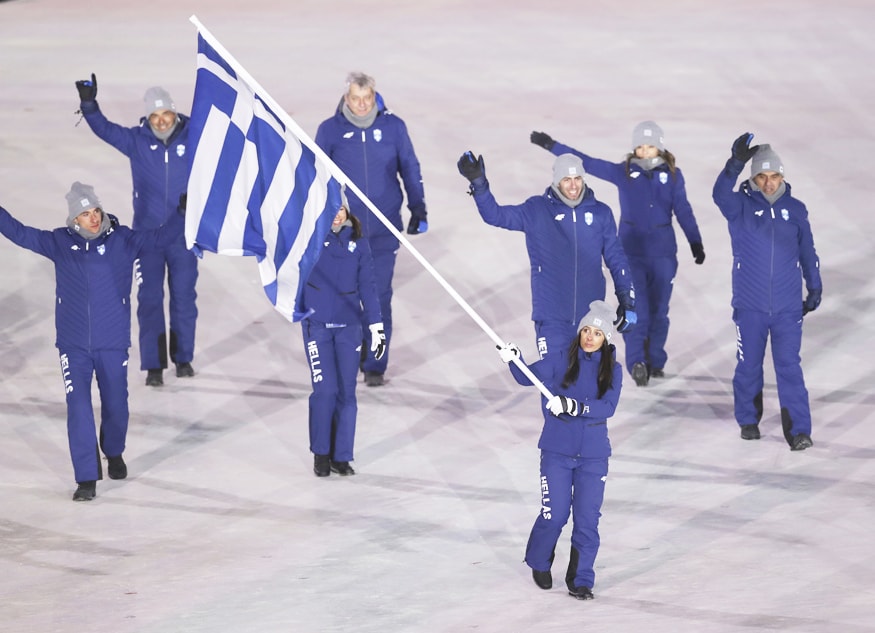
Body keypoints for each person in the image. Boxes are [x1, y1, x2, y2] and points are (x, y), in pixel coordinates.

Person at [0, 182, 183, 500]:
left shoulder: (124, 240)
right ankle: (86, 477)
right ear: (74, 219)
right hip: (73, 346)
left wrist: (183, 213)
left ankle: (113, 452)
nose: (94, 218)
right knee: (79, 407)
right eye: (85, 214)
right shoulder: (59, 242)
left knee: (116, 406)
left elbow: (161, 237)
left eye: (95, 210)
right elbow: (19, 232)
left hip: (112, 342)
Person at [531, 122, 705, 386]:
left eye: (650, 146)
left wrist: (695, 241)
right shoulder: (622, 172)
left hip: (664, 255)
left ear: (659, 146)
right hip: (632, 253)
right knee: (640, 311)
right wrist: (551, 145)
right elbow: (586, 162)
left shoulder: (672, 175)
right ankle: (637, 362)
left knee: (660, 312)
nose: (645, 152)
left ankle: (655, 359)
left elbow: (683, 209)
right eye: (640, 146)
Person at [457, 150, 636, 375]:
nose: (573, 186)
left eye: (578, 179)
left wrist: (627, 299)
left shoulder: (601, 214)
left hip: (591, 321)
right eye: (567, 180)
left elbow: (616, 258)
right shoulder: (536, 210)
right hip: (552, 318)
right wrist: (479, 183)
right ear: (556, 181)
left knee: (588, 383)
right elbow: (495, 215)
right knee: (556, 380)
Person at [75, 73, 198, 387]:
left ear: (174, 112)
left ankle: (183, 359)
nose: (160, 121)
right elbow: (104, 129)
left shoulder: (193, 138)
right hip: (148, 239)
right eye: (155, 116)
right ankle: (154, 365)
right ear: (148, 117)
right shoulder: (136, 141)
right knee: (149, 299)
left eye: (165, 114)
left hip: (184, 236)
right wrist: (89, 105)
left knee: (184, 297)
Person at [497, 300, 622, 600]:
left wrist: (572, 405)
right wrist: (514, 360)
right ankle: (539, 560)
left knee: (587, 519)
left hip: (593, 457)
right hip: (557, 452)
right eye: (586, 330)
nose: (590, 337)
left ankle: (581, 579)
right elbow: (526, 377)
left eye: (597, 333)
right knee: (555, 515)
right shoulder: (560, 360)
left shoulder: (613, 371)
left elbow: (608, 407)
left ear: (606, 340)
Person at [315, 72, 428, 387]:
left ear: (375, 97)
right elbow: (316, 177)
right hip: (343, 231)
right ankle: (346, 359)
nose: (362, 105)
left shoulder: (393, 128)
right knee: (345, 298)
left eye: (367, 99)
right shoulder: (330, 131)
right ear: (346, 99)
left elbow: (410, 168)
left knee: (378, 297)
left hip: (382, 229)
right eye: (355, 99)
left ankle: (375, 363)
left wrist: (418, 208)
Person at [712, 134, 822, 451]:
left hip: (788, 308)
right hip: (750, 307)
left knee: (789, 367)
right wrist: (735, 163)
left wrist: (814, 286)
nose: (769, 183)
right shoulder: (740, 207)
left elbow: (808, 251)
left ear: (783, 176)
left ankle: (798, 430)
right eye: (762, 176)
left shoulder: (796, 210)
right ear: (754, 177)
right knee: (748, 366)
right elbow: (719, 194)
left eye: (774, 176)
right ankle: (749, 420)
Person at [299, 190, 385, 477]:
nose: (338, 214)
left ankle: (341, 456)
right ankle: (321, 454)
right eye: (332, 209)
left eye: (341, 209)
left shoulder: (359, 244)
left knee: (347, 393)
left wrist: (376, 325)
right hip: (317, 327)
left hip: (349, 329)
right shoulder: (309, 239)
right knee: (325, 391)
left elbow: (369, 287)